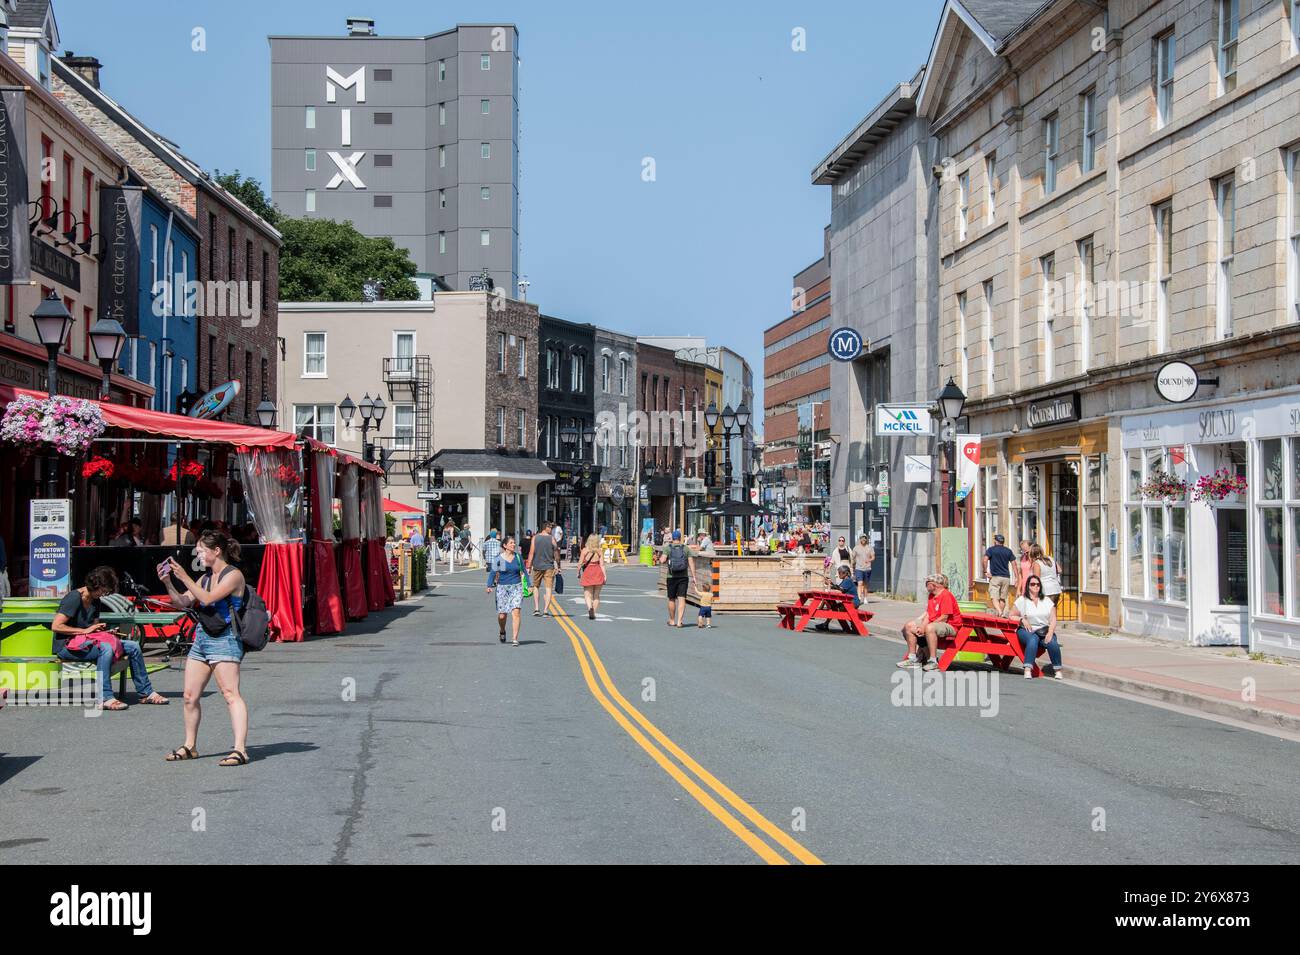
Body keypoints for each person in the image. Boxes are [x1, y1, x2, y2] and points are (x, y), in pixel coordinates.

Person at [158, 530, 250, 767]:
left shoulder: (234, 575)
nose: (197, 554)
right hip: (202, 638)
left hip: (225, 638)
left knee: (230, 694)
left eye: (200, 550)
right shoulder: (205, 578)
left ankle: (240, 749)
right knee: (189, 696)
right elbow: (184, 601)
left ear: (216, 551)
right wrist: (169, 582)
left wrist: (185, 576)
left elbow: (208, 599)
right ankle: (190, 746)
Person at [51, 566, 168, 710]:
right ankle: (105, 697)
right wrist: (85, 630)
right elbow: (56, 626)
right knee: (105, 648)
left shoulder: (96, 601)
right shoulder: (74, 598)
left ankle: (146, 693)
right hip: (66, 646)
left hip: (86, 642)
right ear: (96, 585)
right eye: (104, 590)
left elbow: (93, 631)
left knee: (133, 646)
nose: (104, 594)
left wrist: (106, 632)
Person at [899, 573, 963, 671]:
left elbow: (944, 618)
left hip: (950, 626)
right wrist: (922, 627)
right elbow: (929, 615)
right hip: (934, 624)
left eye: (927, 583)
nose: (925, 585)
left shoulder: (946, 595)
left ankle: (933, 661)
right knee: (909, 626)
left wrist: (925, 627)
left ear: (934, 585)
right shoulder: (931, 596)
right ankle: (912, 659)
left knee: (930, 628)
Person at [1010, 575, 1062, 679]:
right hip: (1026, 630)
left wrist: (1051, 632)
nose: (1035, 586)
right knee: (1033, 639)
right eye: (1032, 584)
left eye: (1038, 584)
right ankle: (1028, 669)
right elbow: (1011, 615)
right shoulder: (1022, 600)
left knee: (1052, 643)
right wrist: (1022, 619)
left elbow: (1053, 619)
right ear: (1028, 586)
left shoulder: (1047, 601)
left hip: (1043, 630)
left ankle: (1058, 670)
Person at [487, 534, 526, 646]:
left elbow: (524, 571)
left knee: (516, 612)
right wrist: (489, 585)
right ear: (505, 545)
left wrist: (528, 584)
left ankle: (514, 638)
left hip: (516, 587)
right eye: (511, 543)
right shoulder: (499, 559)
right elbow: (493, 573)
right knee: (502, 615)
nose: (514, 544)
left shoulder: (518, 557)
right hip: (502, 587)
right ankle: (502, 630)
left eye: (514, 543)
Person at [658, 529, 696, 628]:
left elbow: (662, 560)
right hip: (683, 577)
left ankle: (672, 620)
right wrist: (694, 577)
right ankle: (679, 621)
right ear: (680, 538)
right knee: (682, 598)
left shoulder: (668, 548)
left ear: (672, 538)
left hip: (671, 576)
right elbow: (691, 563)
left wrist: (660, 558)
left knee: (671, 599)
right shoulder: (686, 548)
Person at [813, 565, 861, 632]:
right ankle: (825, 624)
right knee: (834, 607)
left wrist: (829, 585)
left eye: (839, 573)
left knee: (835, 608)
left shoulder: (848, 581)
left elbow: (839, 591)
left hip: (853, 602)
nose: (838, 575)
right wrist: (830, 584)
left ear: (845, 573)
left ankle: (823, 620)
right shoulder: (845, 580)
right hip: (848, 602)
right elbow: (838, 588)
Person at [526, 522, 558, 617]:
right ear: (546, 528)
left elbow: (531, 553)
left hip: (537, 566)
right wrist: (558, 565)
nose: (551, 529)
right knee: (548, 589)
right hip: (549, 566)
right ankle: (545, 610)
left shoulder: (535, 538)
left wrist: (529, 566)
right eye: (550, 527)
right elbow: (556, 552)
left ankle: (536, 609)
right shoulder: (552, 538)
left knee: (536, 587)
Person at [983, 534, 1018, 615]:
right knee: (1003, 598)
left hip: (995, 577)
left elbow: (985, 560)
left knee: (994, 597)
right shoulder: (1008, 551)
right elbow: (1014, 564)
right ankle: (1000, 615)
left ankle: (999, 611)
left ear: (995, 541)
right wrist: (1016, 577)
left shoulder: (991, 550)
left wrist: (985, 571)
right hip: (1006, 578)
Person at [578, 533, 607, 620]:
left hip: (588, 572)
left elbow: (580, 563)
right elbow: (602, 565)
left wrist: (578, 572)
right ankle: (593, 611)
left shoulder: (585, 550)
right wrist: (605, 576)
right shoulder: (599, 551)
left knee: (587, 594)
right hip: (597, 572)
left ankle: (590, 608)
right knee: (596, 596)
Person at [852, 535, 875, 603]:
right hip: (859, 568)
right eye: (862, 538)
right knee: (860, 583)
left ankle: (865, 598)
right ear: (860, 539)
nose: (863, 539)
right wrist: (852, 565)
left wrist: (869, 560)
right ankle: (859, 598)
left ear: (866, 539)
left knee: (865, 584)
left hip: (867, 568)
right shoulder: (856, 548)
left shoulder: (870, 548)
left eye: (864, 538)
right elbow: (852, 557)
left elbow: (873, 557)